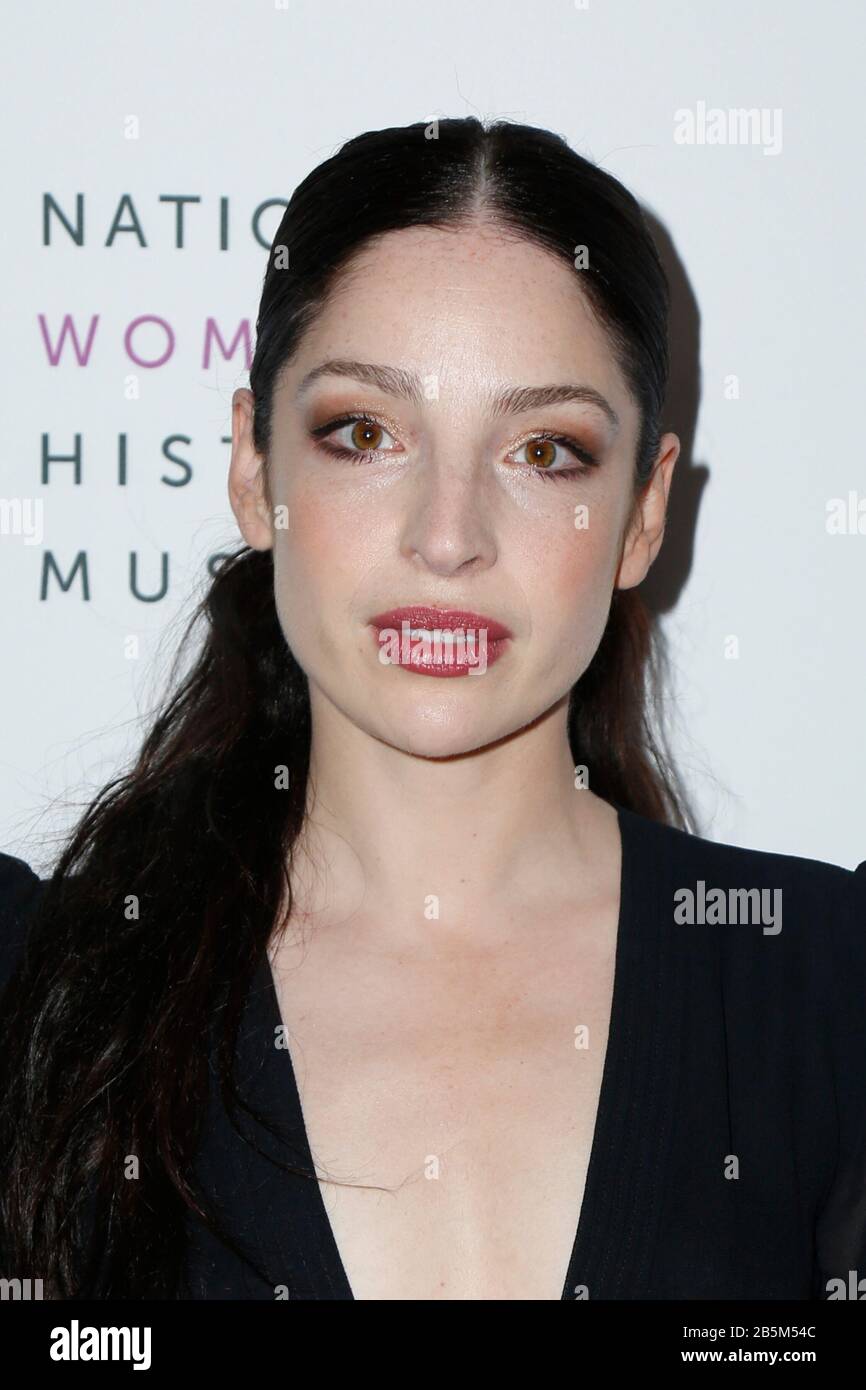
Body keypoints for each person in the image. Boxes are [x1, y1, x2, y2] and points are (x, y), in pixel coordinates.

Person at [1, 117, 863, 1301]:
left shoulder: (828, 989)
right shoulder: (33, 994)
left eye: (544, 450)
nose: (446, 537)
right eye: (364, 433)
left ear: (645, 513)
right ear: (254, 471)